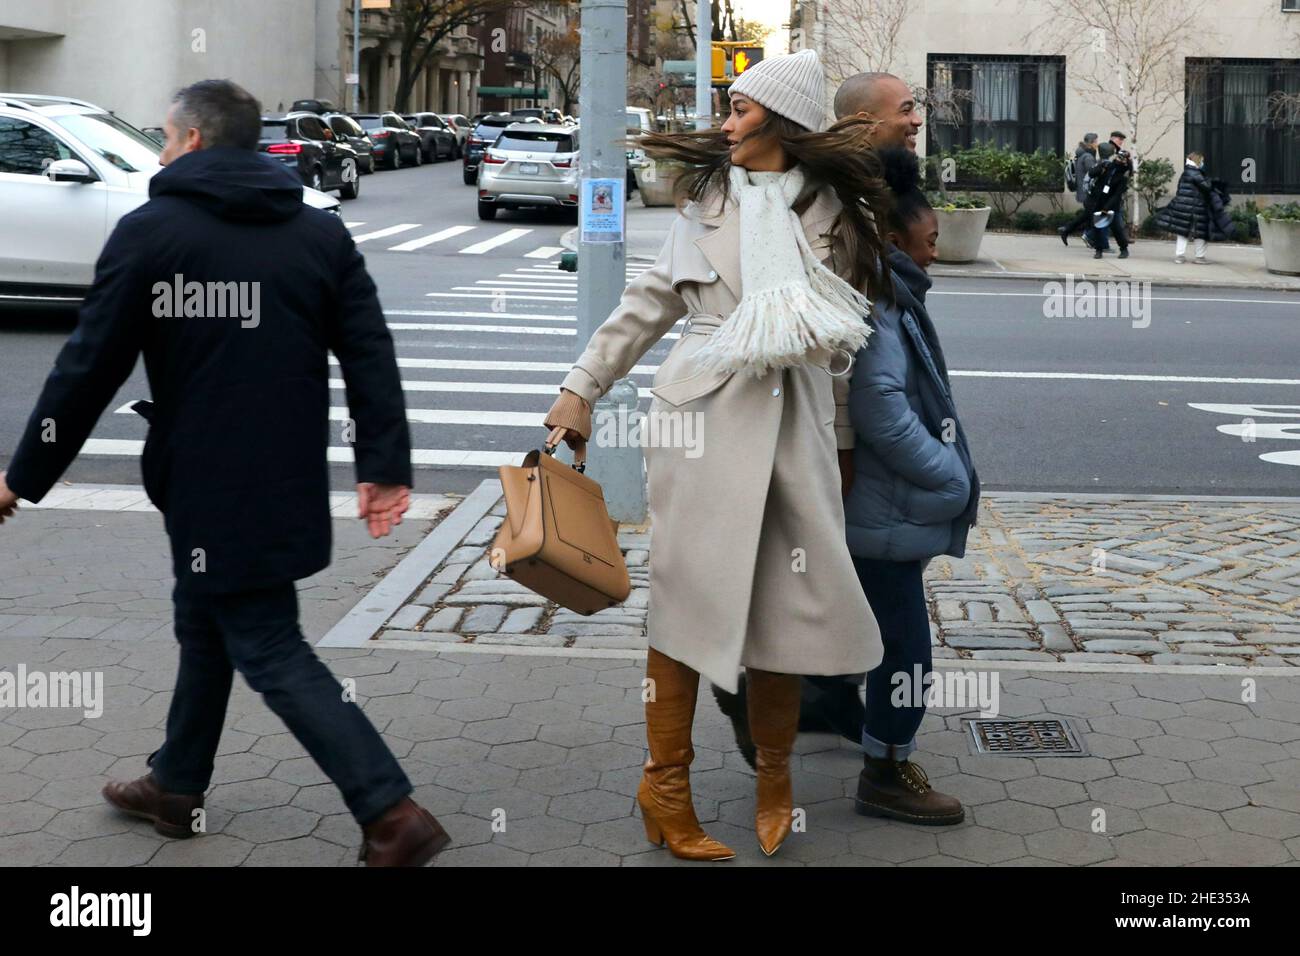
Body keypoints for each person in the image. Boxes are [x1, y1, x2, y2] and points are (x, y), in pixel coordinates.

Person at [0, 79, 448, 867]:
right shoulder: (317, 232)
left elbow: (86, 369)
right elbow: (370, 350)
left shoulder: (151, 231)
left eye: (167, 139)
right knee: (204, 621)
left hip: (206, 480)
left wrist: (21, 476)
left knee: (267, 642)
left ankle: (390, 812)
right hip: (284, 475)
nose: (164, 151)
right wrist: (381, 463)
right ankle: (175, 785)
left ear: (195, 142)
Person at [543, 49, 891, 860]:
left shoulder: (836, 212)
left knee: (786, 617)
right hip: (700, 420)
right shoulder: (704, 201)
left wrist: (843, 445)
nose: (726, 123)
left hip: (795, 422)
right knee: (688, 603)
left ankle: (775, 777)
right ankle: (665, 785)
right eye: (729, 108)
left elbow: (848, 343)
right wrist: (580, 388)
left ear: (782, 121)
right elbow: (643, 307)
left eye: (741, 109)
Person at [706, 69, 925, 767]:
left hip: (822, 429)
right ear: (861, 123)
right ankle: (866, 750)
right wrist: (845, 442)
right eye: (905, 110)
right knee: (861, 587)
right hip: (801, 430)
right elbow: (844, 350)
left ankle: (809, 696)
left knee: (822, 575)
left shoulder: (846, 196)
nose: (915, 120)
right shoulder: (814, 206)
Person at [845, 147, 978, 825]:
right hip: (882, 514)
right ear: (894, 242)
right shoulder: (883, 307)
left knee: (877, 634)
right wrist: (949, 476)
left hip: (880, 510)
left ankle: (847, 728)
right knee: (907, 654)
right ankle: (886, 771)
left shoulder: (895, 296)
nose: (933, 256)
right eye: (927, 244)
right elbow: (882, 413)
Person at [1154, 151, 1236, 264]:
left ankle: (1180, 256)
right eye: (1202, 161)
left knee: (1182, 232)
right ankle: (1199, 257)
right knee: (1201, 233)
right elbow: (1207, 187)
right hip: (1196, 207)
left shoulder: (1186, 172)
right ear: (1197, 161)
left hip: (1183, 206)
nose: (1203, 163)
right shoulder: (1195, 173)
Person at [1059, 145, 1132, 259]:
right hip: (1099, 200)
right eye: (1118, 157)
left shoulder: (1123, 176)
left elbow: (1117, 195)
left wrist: (1107, 208)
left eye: (1122, 159)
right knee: (1098, 226)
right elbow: (1092, 173)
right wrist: (1100, 166)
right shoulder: (1107, 166)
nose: (1119, 160)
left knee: (1116, 228)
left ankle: (1124, 249)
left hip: (1112, 204)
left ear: (1126, 161)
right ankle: (1099, 250)